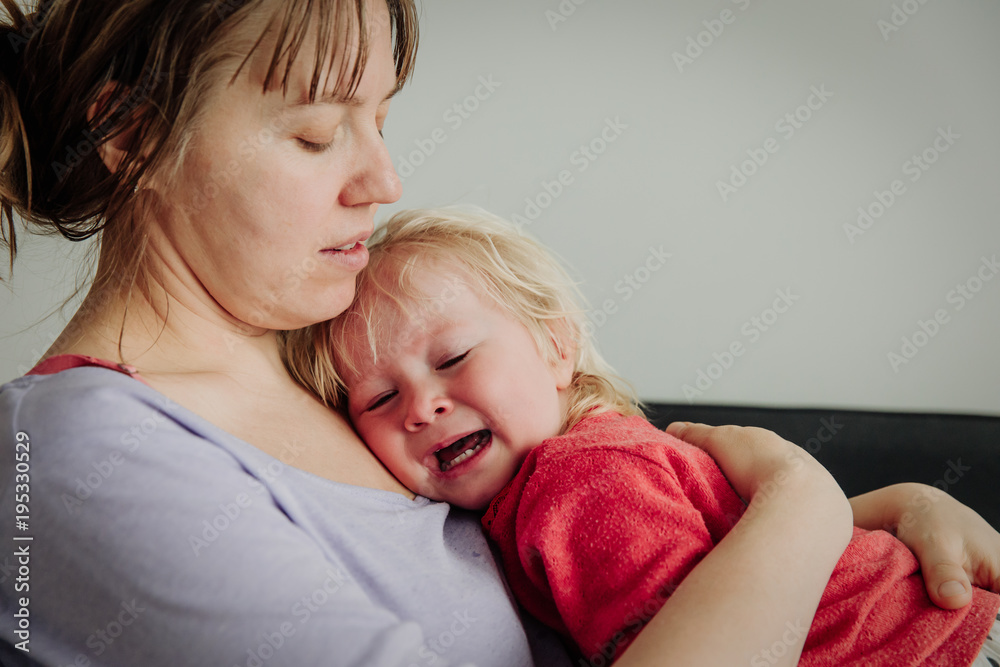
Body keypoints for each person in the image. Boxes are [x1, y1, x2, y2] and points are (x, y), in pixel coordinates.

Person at [0, 1, 993, 665]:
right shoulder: (80, 450)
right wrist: (801, 504)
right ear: (129, 132)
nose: (381, 181)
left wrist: (890, 512)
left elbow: (637, 551)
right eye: (313, 132)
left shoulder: (328, 358)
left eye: (380, 119)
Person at [293, 206, 1000, 665]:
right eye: (379, 398)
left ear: (555, 348)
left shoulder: (580, 481)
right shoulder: (590, 465)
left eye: (452, 358)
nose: (421, 405)